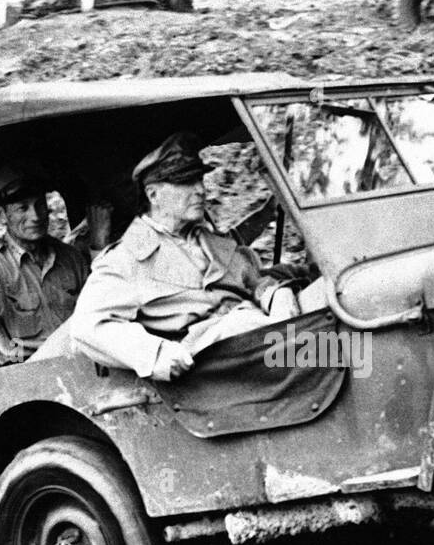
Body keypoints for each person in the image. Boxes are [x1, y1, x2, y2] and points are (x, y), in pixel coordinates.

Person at [70, 133, 304, 382]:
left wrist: (275, 294)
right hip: (214, 373)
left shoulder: (210, 241)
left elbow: (253, 280)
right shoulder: (127, 258)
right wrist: (156, 354)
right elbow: (87, 325)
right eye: (185, 183)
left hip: (260, 347)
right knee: (326, 351)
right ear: (153, 195)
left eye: (199, 180)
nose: (200, 190)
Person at [0, 162, 90, 365]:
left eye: (40, 204)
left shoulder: (70, 257)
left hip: (81, 362)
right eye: (22, 208)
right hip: (24, 371)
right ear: (3, 215)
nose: (36, 216)